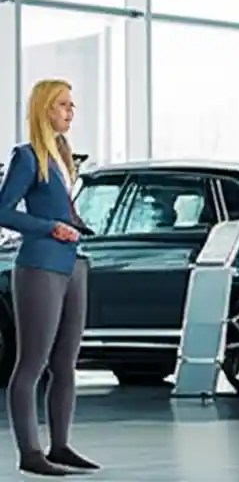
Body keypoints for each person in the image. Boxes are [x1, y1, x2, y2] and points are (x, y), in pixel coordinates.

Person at [0, 79, 97, 477]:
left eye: (72, 105)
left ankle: (60, 446)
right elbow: (4, 211)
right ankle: (30, 454)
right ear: (44, 109)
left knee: (65, 363)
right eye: (62, 105)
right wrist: (49, 227)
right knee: (31, 364)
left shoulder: (62, 155)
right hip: (40, 265)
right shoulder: (27, 156)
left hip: (73, 265)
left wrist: (74, 225)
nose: (70, 111)